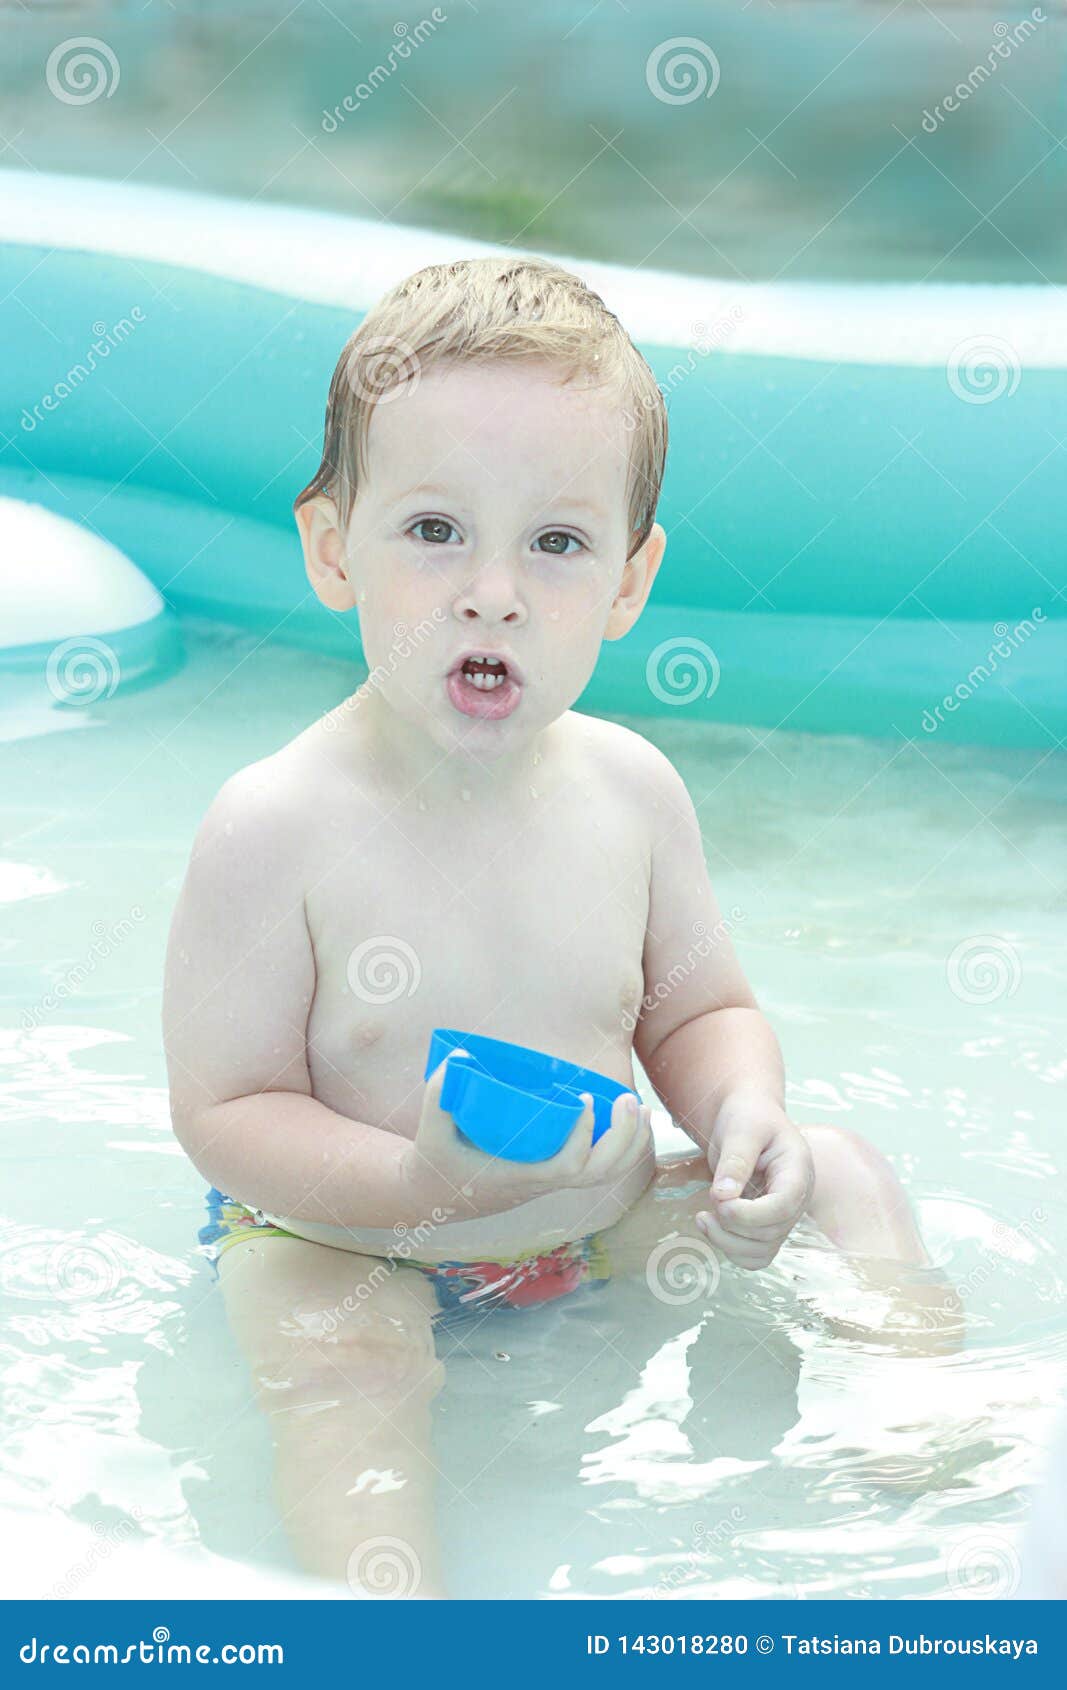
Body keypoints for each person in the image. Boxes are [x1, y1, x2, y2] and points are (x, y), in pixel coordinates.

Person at [163, 257, 954, 1598]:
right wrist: (413, 1191)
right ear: (331, 548)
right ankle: (391, 1612)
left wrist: (744, 1112)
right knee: (344, 1363)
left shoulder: (632, 794)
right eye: (433, 531)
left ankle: (921, 1434)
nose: (494, 591)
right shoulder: (275, 825)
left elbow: (697, 1010)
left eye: (557, 542)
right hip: (344, 1238)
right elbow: (226, 1110)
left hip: (587, 1228)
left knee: (843, 1167)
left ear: (631, 581)